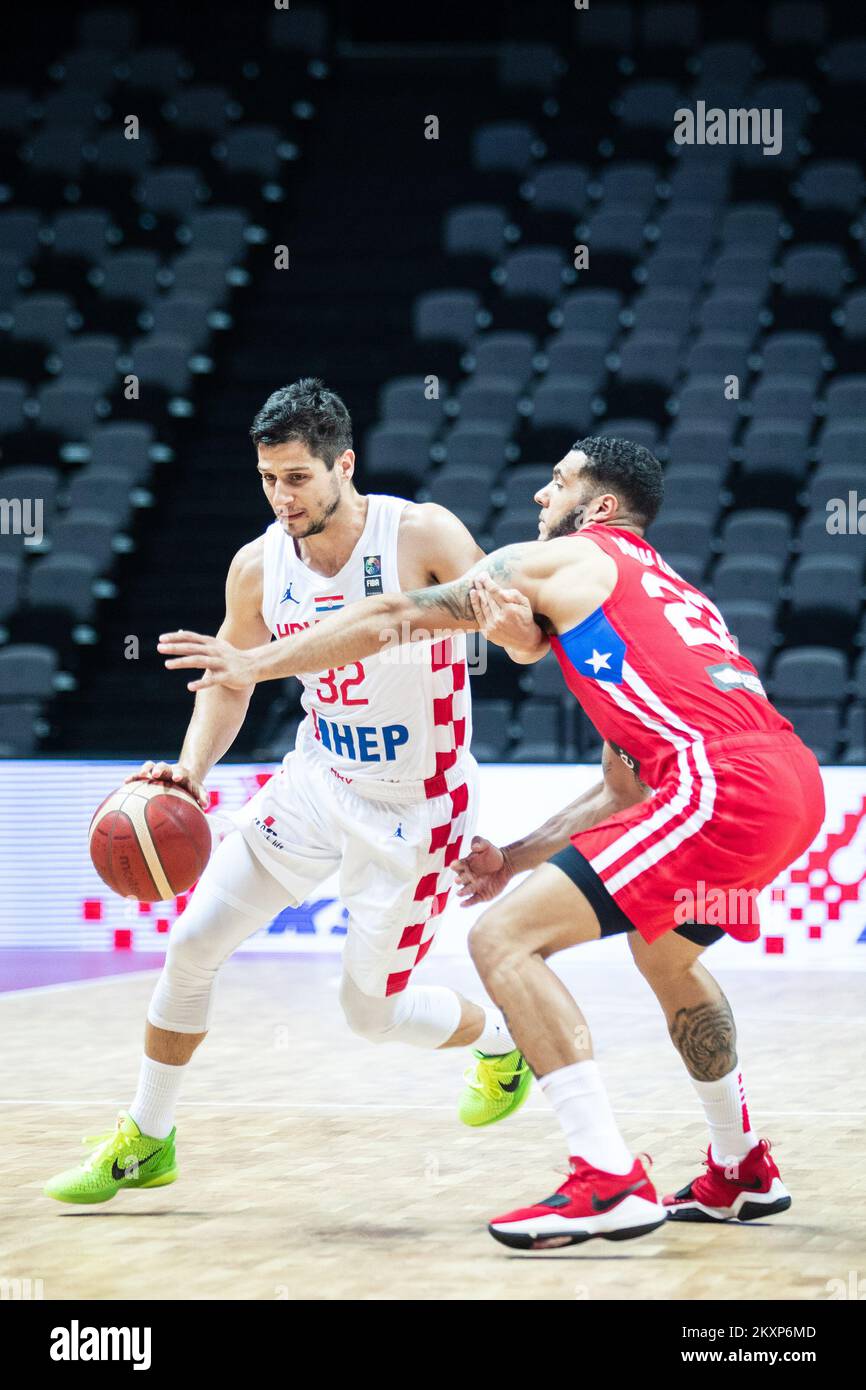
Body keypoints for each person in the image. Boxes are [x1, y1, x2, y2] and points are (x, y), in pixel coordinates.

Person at [158, 435, 826, 1249]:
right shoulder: (659, 590)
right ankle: (743, 1167)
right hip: (789, 784)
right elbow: (623, 788)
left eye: (559, 482)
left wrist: (251, 662)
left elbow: (392, 615)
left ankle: (607, 1179)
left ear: (601, 506)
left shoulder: (568, 558)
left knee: (505, 939)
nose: (541, 496)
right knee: (667, 957)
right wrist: (513, 857)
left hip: (720, 785)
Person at [43, 379, 540, 1207]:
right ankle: (148, 1139)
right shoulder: (259, 563)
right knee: (193, 945)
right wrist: (190, 772)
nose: (282, 496)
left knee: (369, 1016)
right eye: (270, 478)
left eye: (299, 477)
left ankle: (500, 1042)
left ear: (344, 463)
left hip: (416, 811)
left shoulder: (420, 533)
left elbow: (522, 646)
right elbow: (228, 679)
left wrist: (504, 621)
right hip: (315, 780)